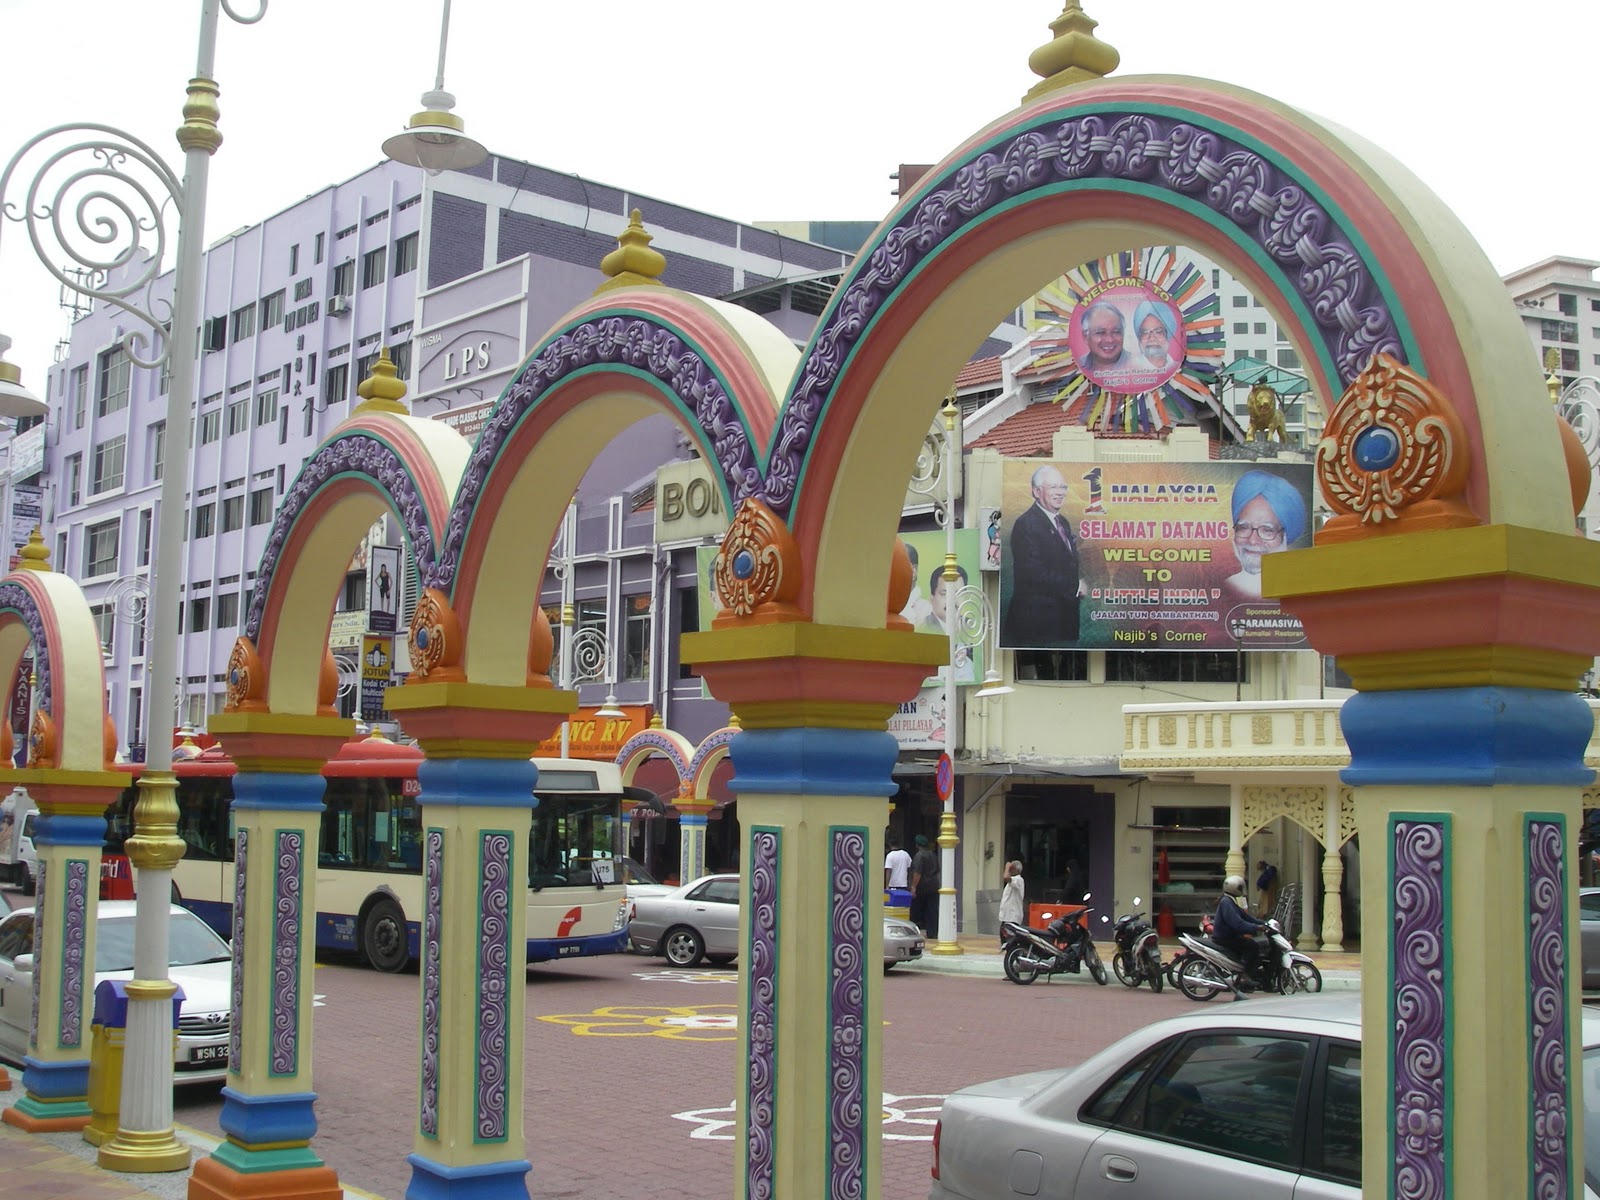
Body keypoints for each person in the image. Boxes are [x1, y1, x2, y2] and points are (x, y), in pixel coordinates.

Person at [1003, 464, 1084, 645]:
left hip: (1062, 623)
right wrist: (1075, 587)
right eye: (1054, 487)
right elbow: (1033, 573)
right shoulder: (1026, 524)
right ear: (1037, 491)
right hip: (1036, 625)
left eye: (1063, 487)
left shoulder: (1062, 522)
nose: (1060, 492)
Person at [1222, 469, 1308, 600]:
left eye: (1267, 530)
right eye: (1244, 527)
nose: (1253, 540)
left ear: (1285, 535)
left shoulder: (1303, 592)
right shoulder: (1224, 588)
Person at [1213, 874, 1270, 990]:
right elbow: (1238, 924)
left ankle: (1243, 975)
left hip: (1228, 937)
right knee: (1253, 946)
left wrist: (1264, 923)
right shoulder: (1227, 903)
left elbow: (1246, 917)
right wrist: (1256, 928)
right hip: (1226, 938)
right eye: (1240, 888)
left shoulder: (1230, 901)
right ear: (1234, 888)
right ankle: (1245, 977)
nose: (1242, 890)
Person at [1079, 301, 1132, 378]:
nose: (1109, 340)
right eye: (1100, 332)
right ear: (1085, 337)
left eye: (1116, 332)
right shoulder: (1077, 366)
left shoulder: (1139, 365)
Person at [1132, 299, 1180, 370]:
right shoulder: (1129, 367)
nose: (1151, 338)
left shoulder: (1177, 368)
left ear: (1167, 335)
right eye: (1145, 332)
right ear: (1139, 338)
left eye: (1158, 331)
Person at [909, 834, 941, 938]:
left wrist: (913, 887)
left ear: (917, 845)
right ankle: (933, 933)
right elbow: (937, 870)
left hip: (922, 887)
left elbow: (917, 873)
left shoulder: (919, 856)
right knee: (932, 911)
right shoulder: (933, 855)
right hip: (934, 886)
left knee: (915, 910)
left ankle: (912, 931)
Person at [997, 859, 1025, 948]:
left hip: (1012, 916)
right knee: (1004, 938)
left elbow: (1005, 877)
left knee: (1011, 940)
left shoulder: (1019, 880)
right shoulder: (1012, 881)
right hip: (1007, 916)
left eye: (1011, 869)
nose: (1009, 871)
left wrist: (1007, 867)